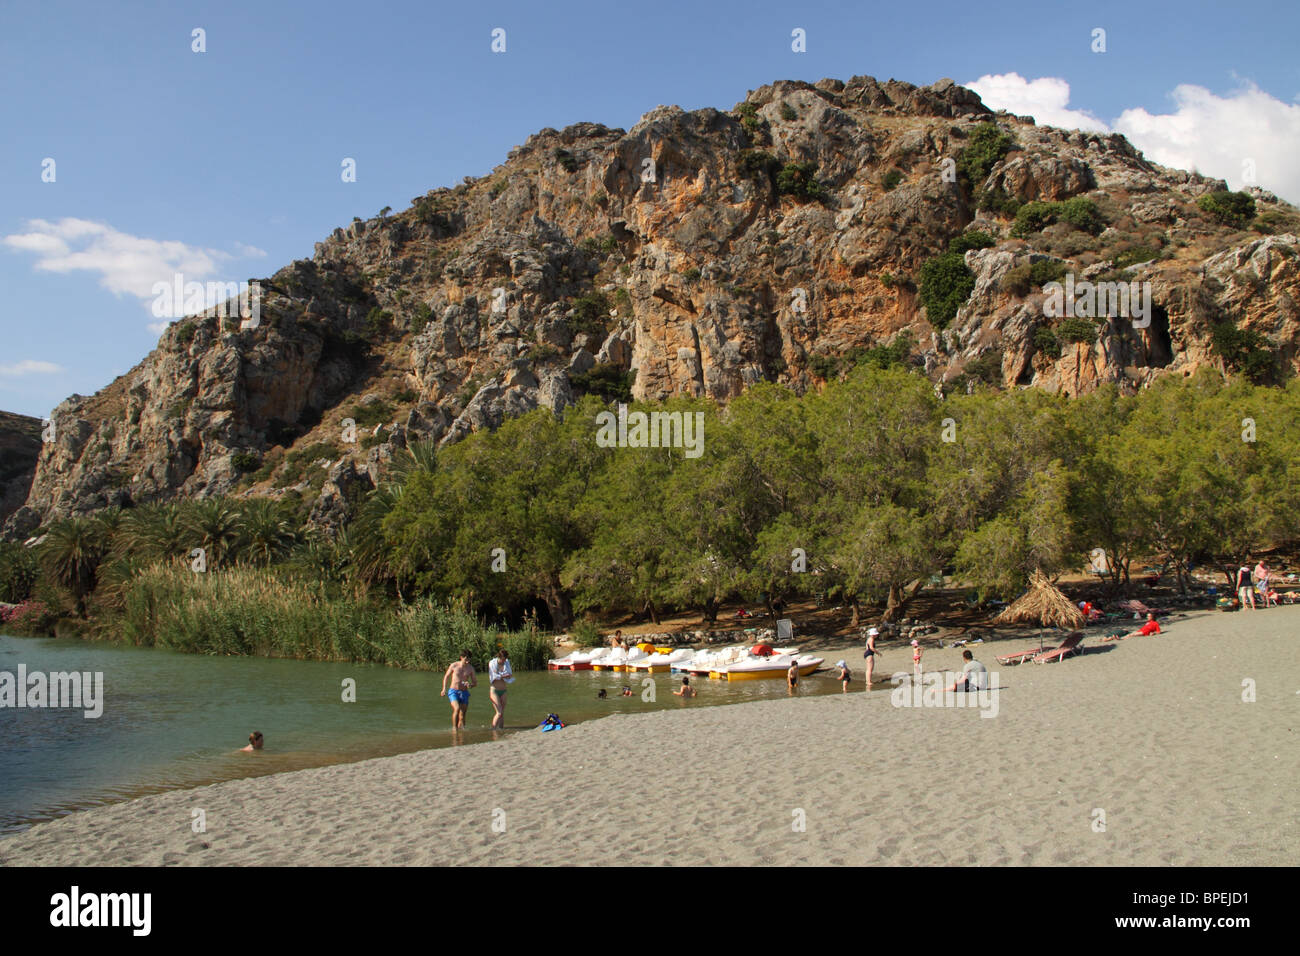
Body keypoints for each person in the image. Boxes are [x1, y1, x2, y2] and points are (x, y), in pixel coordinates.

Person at [440, 650, 477, 729]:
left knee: (462, 715)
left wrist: (470, 685)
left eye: (469, 659)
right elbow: (446, 677)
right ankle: (454, 729)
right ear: (461, 658)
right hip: (453, 691)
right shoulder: (454, 665)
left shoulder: (470, 668)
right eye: (466, 659)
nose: (467, 661)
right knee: (456, 709)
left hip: (464, 692)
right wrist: (444, 689)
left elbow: (475, 683)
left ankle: (463, 732)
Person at [488, 647, 513, 730]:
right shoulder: (492, 663)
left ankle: (501, 730)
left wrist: (501, 675)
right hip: (494, 690)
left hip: (503, 690)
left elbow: (510, 674)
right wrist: (503, 675)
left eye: (505, 659)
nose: (503, 661)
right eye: (502, 659)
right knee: (498, 712)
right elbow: (494, 677)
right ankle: (493, 730)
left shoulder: (506, 662)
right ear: (499, 657)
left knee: (502, 712)